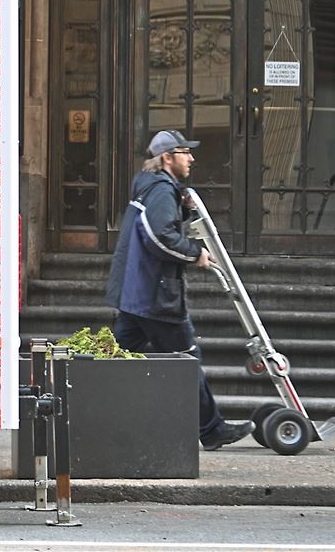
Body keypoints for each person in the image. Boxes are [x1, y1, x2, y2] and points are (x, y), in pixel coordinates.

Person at [104, 129, 254, 451]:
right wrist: (194, 252)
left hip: (136, 293)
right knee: (187, 360)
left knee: (111, 359)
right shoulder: (160, 190)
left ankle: (78, 411)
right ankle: (211, 430)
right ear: (168, 158)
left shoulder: (153, 187)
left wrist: (182, 208)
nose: (192, 158)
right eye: (185, 153)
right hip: (154, 295)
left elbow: (155, 227)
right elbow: (160, 237)